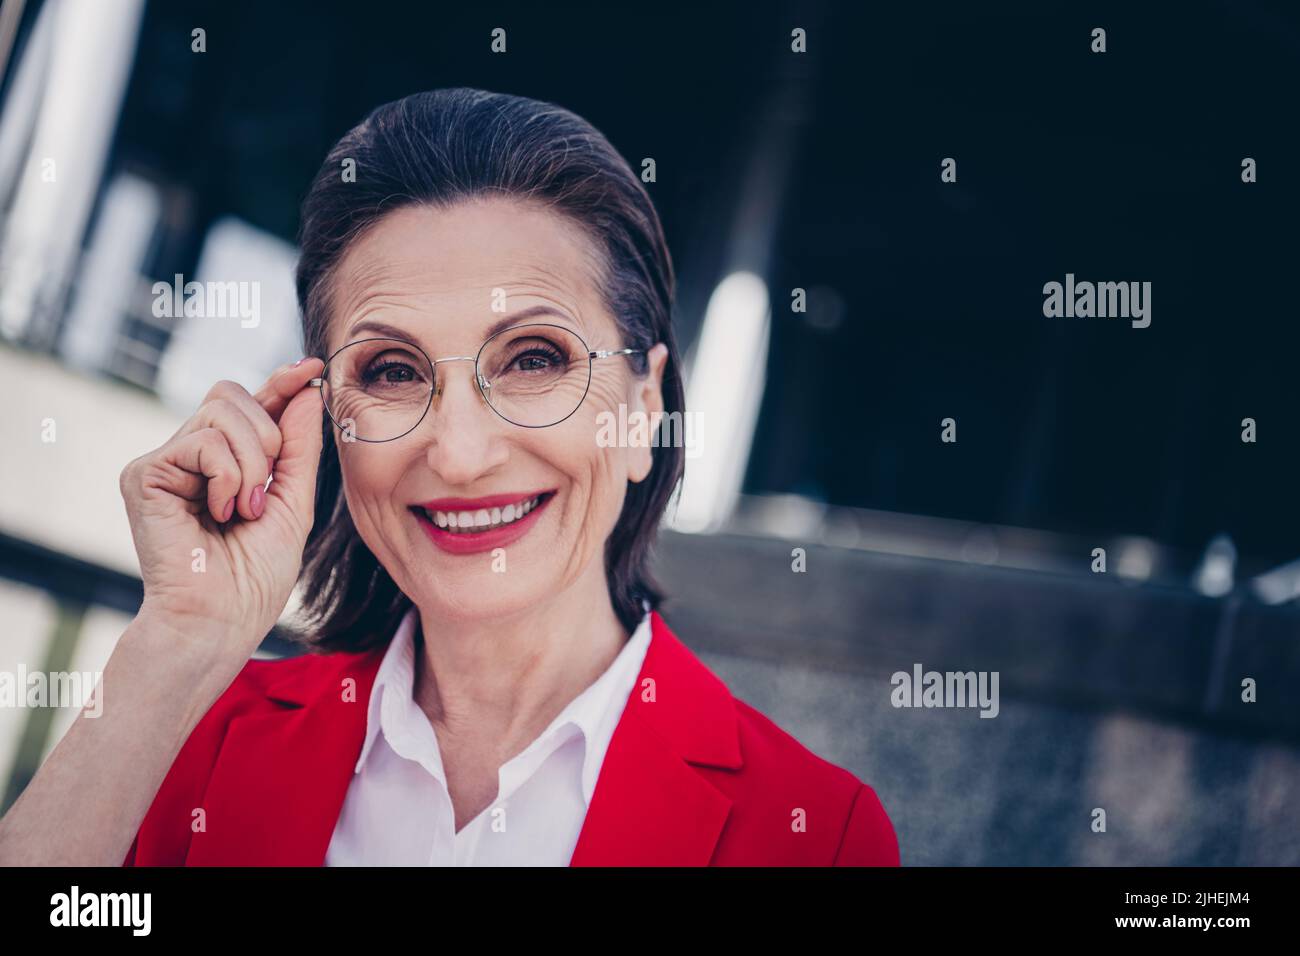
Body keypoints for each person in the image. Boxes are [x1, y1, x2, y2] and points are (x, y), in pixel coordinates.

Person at [0, 87, 898, 866]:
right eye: (392, 371)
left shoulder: (814, 837)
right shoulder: (200, 734)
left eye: (535, 359)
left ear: (643, 409)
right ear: (324, 420)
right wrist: (175, 648)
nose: (461, 455)